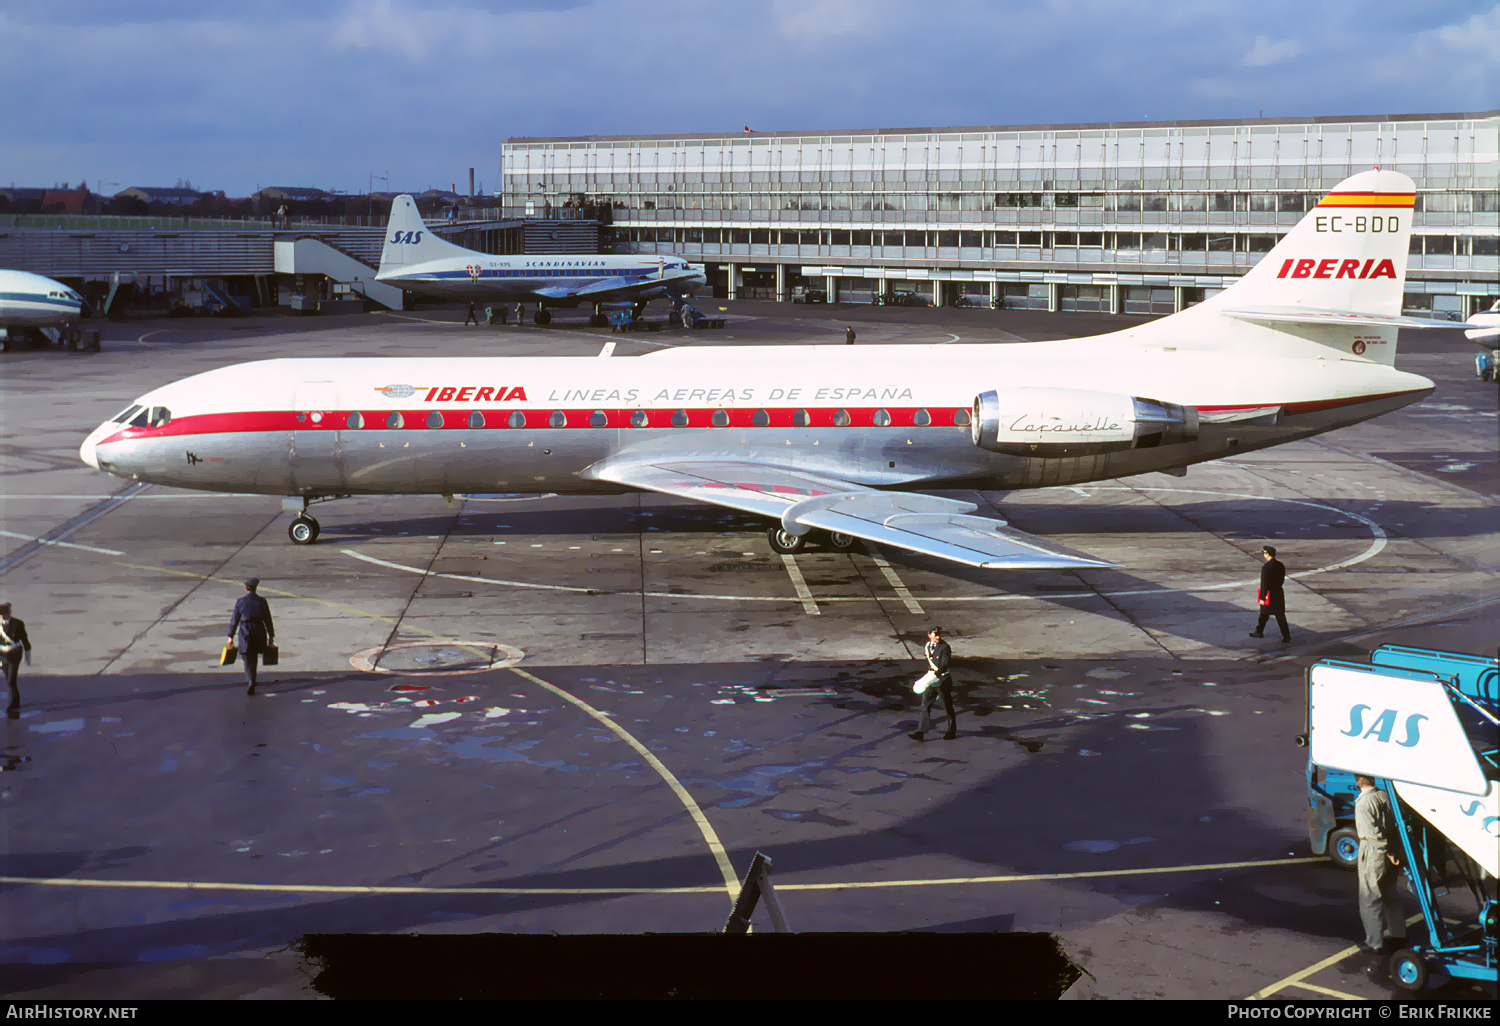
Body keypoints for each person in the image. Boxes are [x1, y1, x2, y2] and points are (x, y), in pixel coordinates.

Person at [1353, 775, 1406, 976]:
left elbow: (1372, 834)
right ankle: (1399, 935)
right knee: (1390, 894)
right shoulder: (1384, 796)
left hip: (1374, 851)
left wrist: (1387, 851)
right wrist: (1394, 851)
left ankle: (1374, 942)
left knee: (1370, 897)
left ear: (1358, 781)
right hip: (1391, 848)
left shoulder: (1363, 803)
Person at [227, 578, 275, 695]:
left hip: (245, 631)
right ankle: (253, 678)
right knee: (254, 656)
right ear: (256, 588)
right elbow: (267, 619)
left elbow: (235, 620)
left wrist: (230, 636)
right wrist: (271, 636)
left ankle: (250, 680)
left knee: (247, 657)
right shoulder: (261, 601)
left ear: (246, 588)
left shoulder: (240, 601)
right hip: (259, 630)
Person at [909, 627, 956, 741]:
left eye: (939, 635)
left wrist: (935, 675)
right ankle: (921, 731)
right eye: (936, 635)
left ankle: (951, 731)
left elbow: (945, 664)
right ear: (929, 635)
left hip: (942, 680)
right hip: (931, 680)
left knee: (947, 706)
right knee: (925, 705)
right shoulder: (928, 646)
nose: (938, 637)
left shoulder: (945, 647)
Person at [1249, 545, 1290, 642]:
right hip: (1278, 593)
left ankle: (1259, 631)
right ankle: (1286, 635)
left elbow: (1264, 584)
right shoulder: (1280, 565)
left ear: (1267, 554)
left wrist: (1262, 597)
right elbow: (1281, 580)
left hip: (1269, 594)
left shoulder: (1266, 567)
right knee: (1280, 616)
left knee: (1264, 613)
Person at [0, 603, 32, 714]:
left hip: (15, 653)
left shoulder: (18, 624)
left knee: (11, 679)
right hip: (2, 654)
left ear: (9, 613)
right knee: (9, 680)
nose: (2, 617)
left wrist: (28, 655)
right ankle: (15, 700)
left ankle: (14, 704)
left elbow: (24, 639)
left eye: (4, 614)